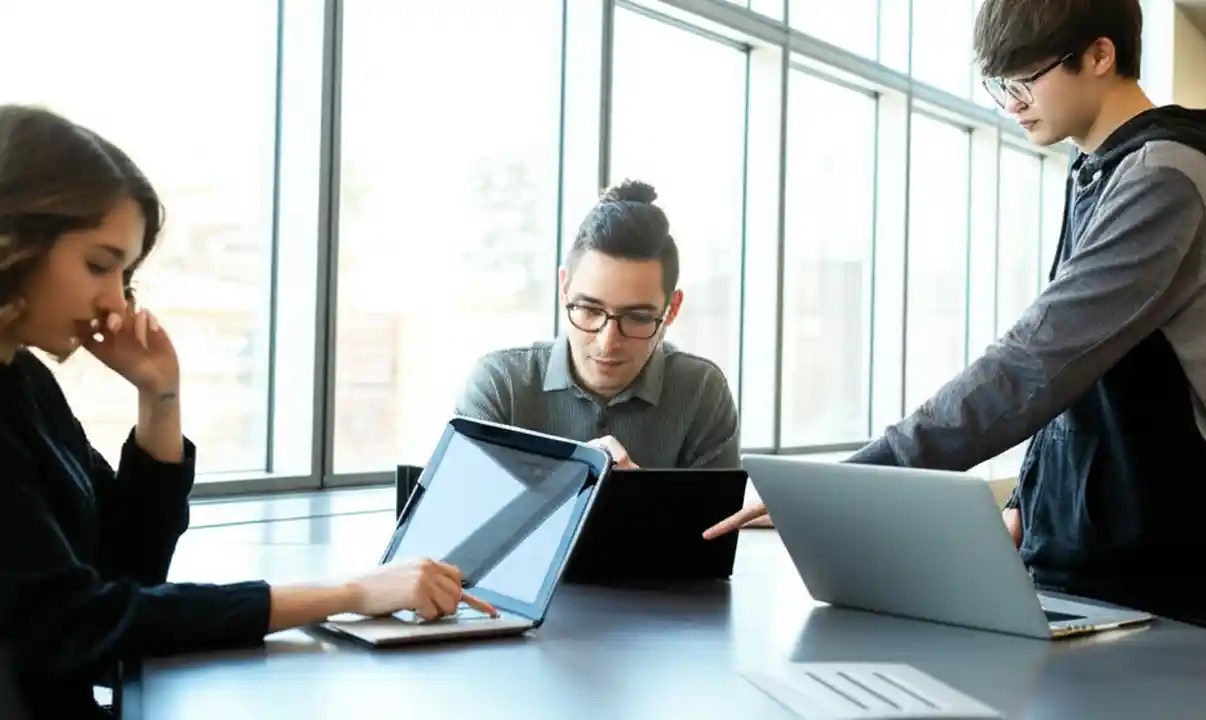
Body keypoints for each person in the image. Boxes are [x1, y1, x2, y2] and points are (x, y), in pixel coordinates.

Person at [708, 0, 1206, 637]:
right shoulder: (1104, 169)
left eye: (1025, 80)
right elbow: (1082, 374)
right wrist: (1026, 500)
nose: (1011, 102)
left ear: (1100, 55)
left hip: (1161, 568)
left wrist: (856, 482)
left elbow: (1038, 360)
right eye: (1001, 83)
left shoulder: (1164, 177)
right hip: (1101, 555)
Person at [0, 105, 497, 718]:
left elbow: (127, 569)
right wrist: (347, 593)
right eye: (99, 265)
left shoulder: (25, 381)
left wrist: (160, 396)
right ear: (15, 239)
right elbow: (79, 625)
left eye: (125, 274)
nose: (115, 299)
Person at [456, 179, 740, 470]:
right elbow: (459, 512)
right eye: (589, 310)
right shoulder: (501, 386)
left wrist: (637, 495)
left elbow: (720, 518)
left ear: (672, 309)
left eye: (638, 318)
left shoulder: (701, 391)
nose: (608, 343)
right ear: (563, 288)